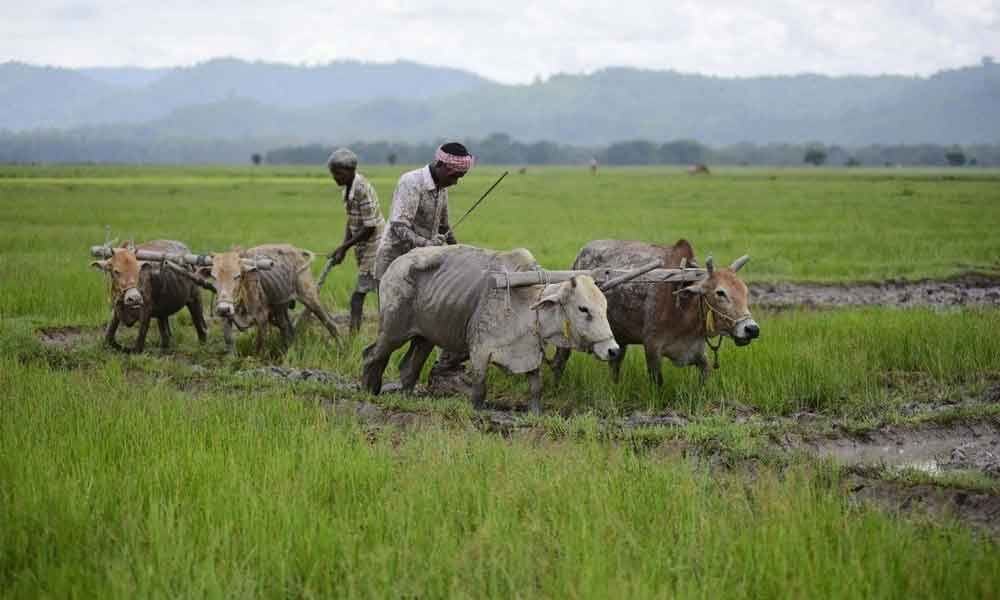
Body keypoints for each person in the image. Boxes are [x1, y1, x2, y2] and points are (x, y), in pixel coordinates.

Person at [374, 141, 474, 383]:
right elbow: (399, 226)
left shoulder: (442, 187)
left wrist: (461, 253)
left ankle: (409, 377)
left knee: (429, 324)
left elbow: (444, 227)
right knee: (396, 328)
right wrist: (426, 244)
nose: (456, 181)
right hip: (396, 263)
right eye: (454, 175)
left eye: (460, 177)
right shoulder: (411, 182)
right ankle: (374, 374)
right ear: (440, 165)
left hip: (425, 266)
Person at [326, 148, 385, 333]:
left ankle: (356, 336)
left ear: (351, 170)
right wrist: (343, 248)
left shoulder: (361, 189)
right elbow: (352, 221)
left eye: (338, 173)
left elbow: (370, 228)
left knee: (359, 295)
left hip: (376, 245)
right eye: (333, 173)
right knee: (381, 291)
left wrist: (343, 247)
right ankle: (383, 331)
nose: (335, 177)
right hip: (364, 245)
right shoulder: (348, 190)